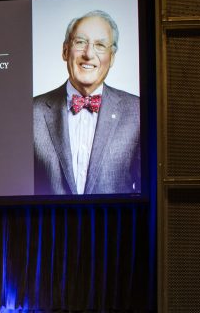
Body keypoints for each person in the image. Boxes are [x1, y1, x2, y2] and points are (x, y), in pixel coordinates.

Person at [33, 10, 140, 195]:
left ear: (112, 57)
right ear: (65, 51)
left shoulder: (137, 111)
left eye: (100, 45)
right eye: (80, 42)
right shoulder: (30, 112)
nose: (89, 54)